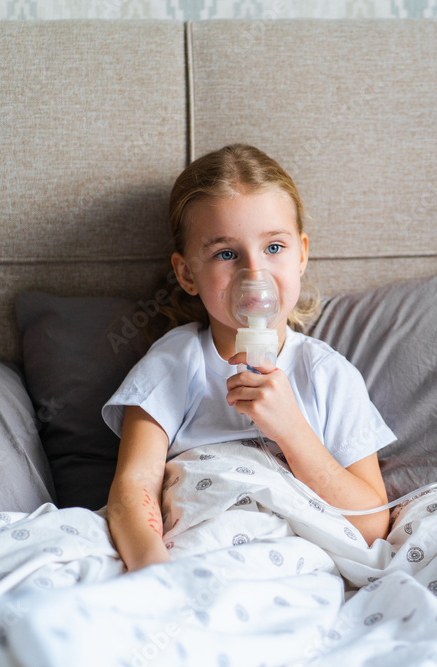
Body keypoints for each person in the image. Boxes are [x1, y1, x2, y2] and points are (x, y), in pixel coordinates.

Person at [102, 144, 395, 573]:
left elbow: (371, 526)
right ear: (186, 274)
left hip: (296, 561)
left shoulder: (327, 375)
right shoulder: (176, 362)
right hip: (197, 549)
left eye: (274, 248)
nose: (254, 275)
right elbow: (133, 485)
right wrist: (153, 571)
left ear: (302, 254)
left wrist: (293, 433)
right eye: (226, 254)